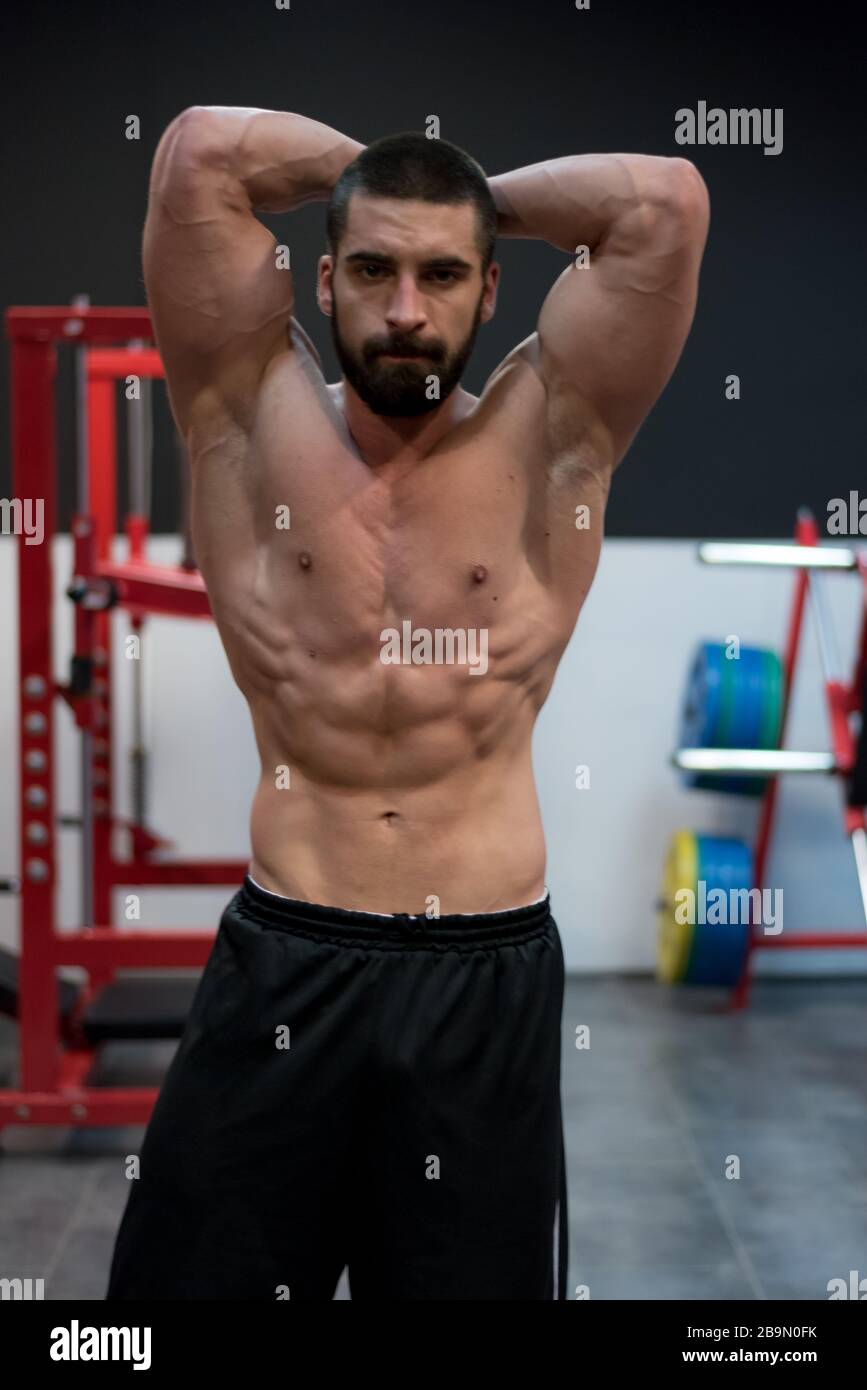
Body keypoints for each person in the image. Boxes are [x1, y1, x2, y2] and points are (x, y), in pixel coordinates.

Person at [106, 107, 709, 1300]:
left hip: (479, 979)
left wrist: (467, 193)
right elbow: (199, 156)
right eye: (372, 267)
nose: (403, 309)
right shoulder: (242, 414)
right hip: (288, 955)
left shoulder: (554, 440)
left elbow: (665, 203)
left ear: (493, 291)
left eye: (443, 273)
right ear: (323, 275)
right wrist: (375, 177)